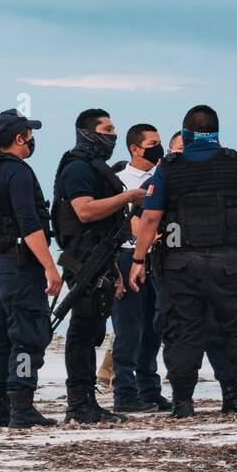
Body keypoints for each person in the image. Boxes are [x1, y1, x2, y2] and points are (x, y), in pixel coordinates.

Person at [129, 106, 237, 418]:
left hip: (181, 265)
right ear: (217, 133)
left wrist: (138, 259)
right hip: (229, 263)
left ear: (185, 135)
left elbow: (151, 217)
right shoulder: (236, 162)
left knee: (183, 333)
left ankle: (183, 405)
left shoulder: (167, 168)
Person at [51, 109, 145, 423]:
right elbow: (85, 211)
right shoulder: (77, 167)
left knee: (92, 329)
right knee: (81, 329)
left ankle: (86, 400)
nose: (113, 134)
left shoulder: (94, 165)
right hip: (83, 257)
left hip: (101, 255)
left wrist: (116, 270)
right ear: (88, 132)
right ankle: (78, 403)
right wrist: (128, 197)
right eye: (107, 128)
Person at [0, 109, 61, 429]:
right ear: (20, 138)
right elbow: (29, 224)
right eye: (30, 134)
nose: (33, 140)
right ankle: (22, 406)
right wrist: (50, 267)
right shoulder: (17, 172)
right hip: (17, 266)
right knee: (27, 337)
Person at [162, 130, 237, 414]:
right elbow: (144, 221)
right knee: (177, 334)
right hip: (174, 269)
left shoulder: (213, 175)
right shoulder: (164, 175)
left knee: (220, 334)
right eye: (178, 149)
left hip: (213, 265)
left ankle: (231, 393)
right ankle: (181, 399)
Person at [109, 123, 167, 412]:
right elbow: (123, 222)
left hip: (159, 260)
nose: (159, 147)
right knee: (128, 328)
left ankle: (149, 388)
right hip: (127, 256)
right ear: (134, 148)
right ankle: (124, 391)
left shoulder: (164, 175)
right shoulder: (118, 179)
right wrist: (145, 236)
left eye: (160, 141)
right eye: (153, 142)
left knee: (154, 328)